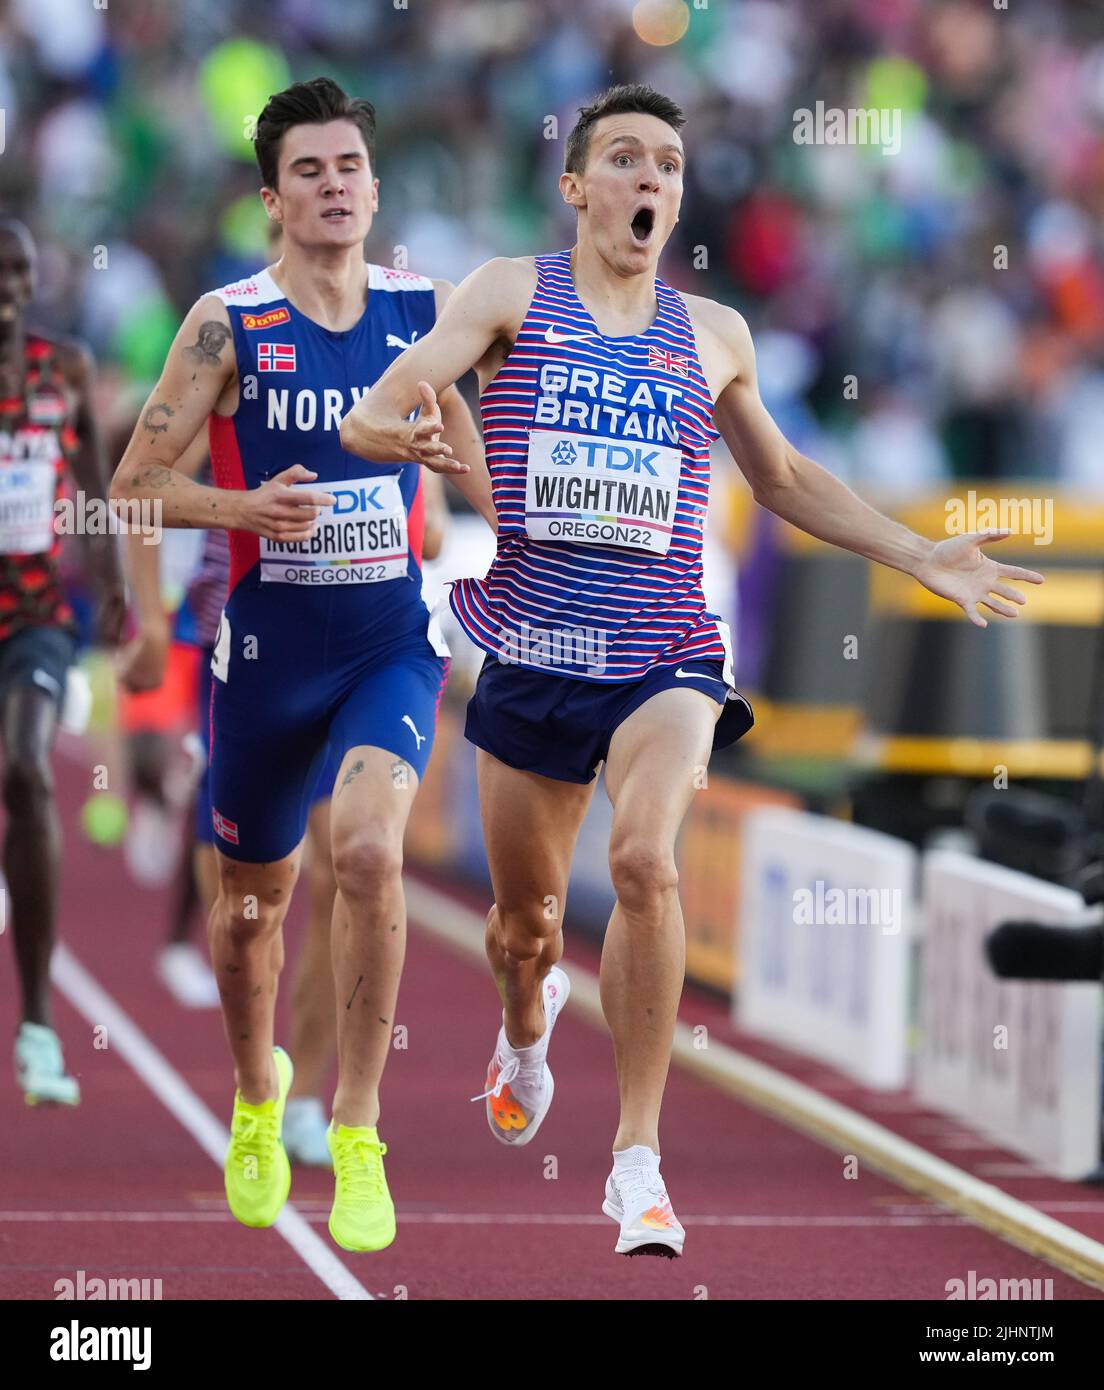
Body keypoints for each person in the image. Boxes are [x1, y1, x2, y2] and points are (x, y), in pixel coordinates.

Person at [338, 83, 1045, 1258]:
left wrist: (920, 550)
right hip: (530, 648)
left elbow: (782, 478)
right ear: (578, 188)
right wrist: (385, 434)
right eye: (625, 159)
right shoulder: (510, 292)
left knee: (645, 861)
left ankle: (638, 1163)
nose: (651, 180)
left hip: (666, 651)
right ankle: (528, 1026)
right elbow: (386, 402)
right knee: (524, 931)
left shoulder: (715, 335)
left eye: (668, 163)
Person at [111, 77, 494, 1251]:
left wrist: (451, 457)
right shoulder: (226, 324)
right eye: (310, 173)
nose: (333, 188)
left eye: (349, 170)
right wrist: (242, 504)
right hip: (267, 652)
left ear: (375, 189)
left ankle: (360, 1128)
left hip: (387, 639)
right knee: (247, 920)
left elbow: (481, 483)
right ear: (272, 197)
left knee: (372, 854)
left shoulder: (426, 316)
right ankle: (257, 1100)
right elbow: (131, 487)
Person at [0, 219, 126, 1104]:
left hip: (38, 613)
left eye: (19, 270)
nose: (9, 283)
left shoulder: (67, 366)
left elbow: (91, 482)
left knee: (28, 771)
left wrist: (116, 584)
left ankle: (39, 1020)